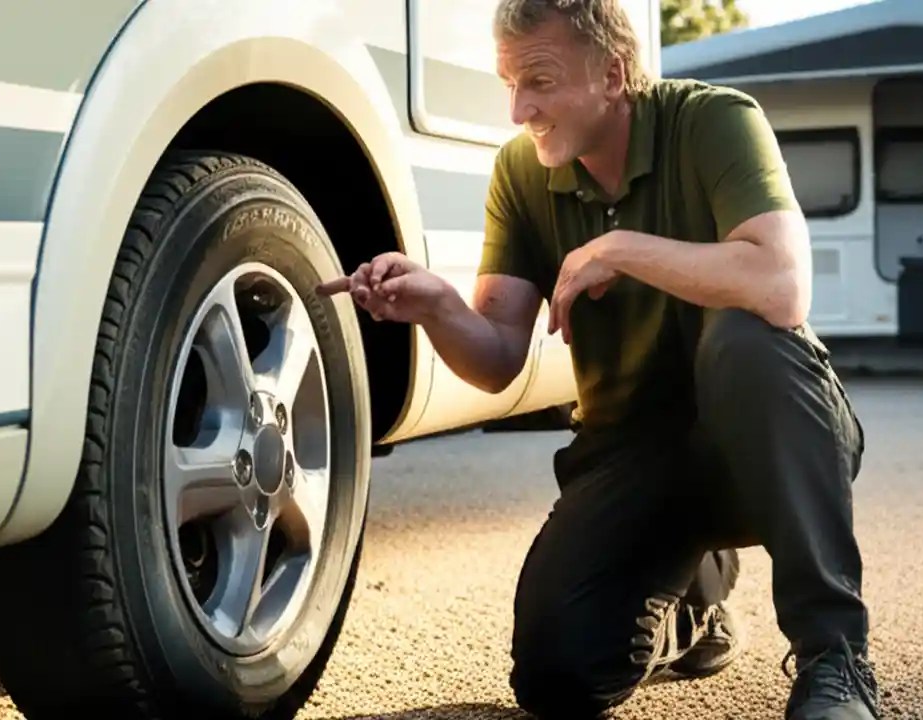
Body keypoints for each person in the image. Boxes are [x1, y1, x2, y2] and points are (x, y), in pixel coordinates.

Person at [317, 0, 881, 717]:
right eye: (508, 83)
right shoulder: (521, 174)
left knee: (745, 341)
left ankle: (836, 657)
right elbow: (495, 357)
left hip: (769, 437)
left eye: (540, 81)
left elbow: (782, 285)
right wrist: (435, 306)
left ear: (613, 74)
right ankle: (691, 599)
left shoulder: (713, 120)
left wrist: (620, 251)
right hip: (634, 454)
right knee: (555, 676)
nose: (520, 108)